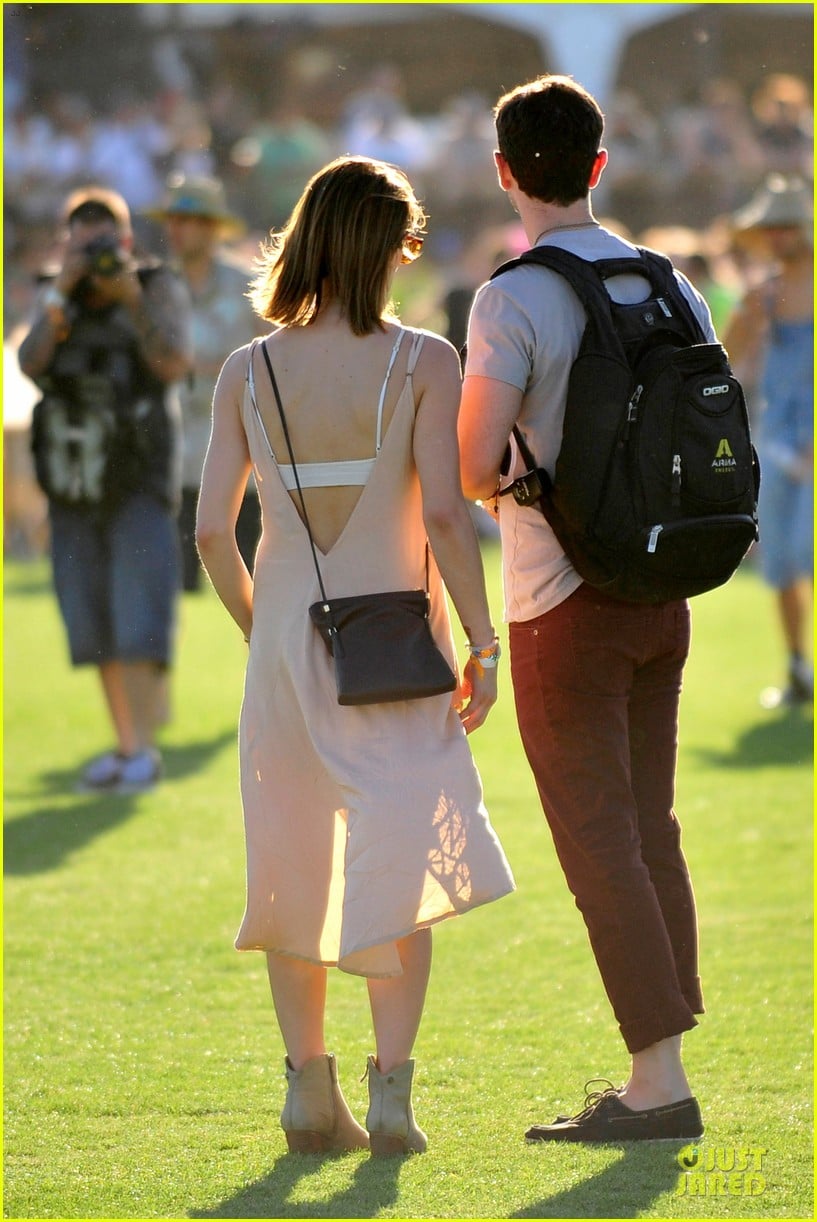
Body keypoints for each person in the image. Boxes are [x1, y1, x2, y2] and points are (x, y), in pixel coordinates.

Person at [195, 156, 515, 1156]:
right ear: (393, 249)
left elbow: (213, 532)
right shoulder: (421, 360)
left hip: (286, 640)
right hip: (394, 644)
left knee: (291, 856)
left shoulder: (248, 368)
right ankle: (387, 1097)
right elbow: (450, 522)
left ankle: (303, 1088)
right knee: (399, 853)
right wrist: (481, 638)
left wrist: (267, 636)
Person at [458, 75, 715, 1143]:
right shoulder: (670, 281)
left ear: (505, 172)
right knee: (647, 824)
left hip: (560, 594)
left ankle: (655, 1078)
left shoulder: (511, 296)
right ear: (598, 165)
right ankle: (667, 1045)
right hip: (666, 584)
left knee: (596, 838)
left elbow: (476, 464)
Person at [18, 186, 191, 794]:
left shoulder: (155, 284)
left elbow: (173, 363)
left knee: (137, 616)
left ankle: (142, 751)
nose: (93, 251)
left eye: (105, 238)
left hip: (138, 479)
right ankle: (127, 746)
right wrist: (62, 291)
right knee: (92, 623)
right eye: (81, 238)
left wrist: (131, 301)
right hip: (72, 482)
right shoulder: (54, 289)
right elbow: (30, 363)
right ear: (65, 241)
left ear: (126, 239)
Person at [723, 175, 813, 706]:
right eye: (770, 228)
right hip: (777, 442)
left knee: (806, 551)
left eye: (787, 226)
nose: (779, 236)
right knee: (780, 559)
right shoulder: (767, 292)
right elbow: (728, 359)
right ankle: (799, 667)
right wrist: (746, 314)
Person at [148, 174, 261, 590]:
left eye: (187, 219)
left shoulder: (251, 285)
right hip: (174, 455)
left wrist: (211, 368)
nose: (174, 229)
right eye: (171, 219)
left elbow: (274, 357)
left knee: (250, 574)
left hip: (241, 459)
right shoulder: (155, 289)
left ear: (211, 226)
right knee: (178, 587)